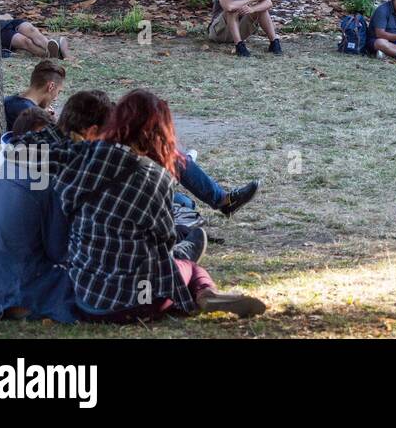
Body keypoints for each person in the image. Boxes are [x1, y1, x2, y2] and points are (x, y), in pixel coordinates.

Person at [57, 89, 266, 321]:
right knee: (191, 268)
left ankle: (194, 249)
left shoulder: (81, 156)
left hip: (88, 298)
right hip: (142, 300)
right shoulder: (156, 178)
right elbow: (164, 240)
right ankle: (206, 292)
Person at [0, 90, 113, 324]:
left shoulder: (24, 150)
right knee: (106, 289)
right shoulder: (56, 167)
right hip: (13, 291)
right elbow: (61, 250)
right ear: (91, 133)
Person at [4, 60, 66, 130]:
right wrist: (50, 121)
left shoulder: (7, 100)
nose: (55, 98)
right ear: (51, 86)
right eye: (58, 92)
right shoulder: (34, 118)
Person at [0, 13, 68, 61]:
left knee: (32, 30)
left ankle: (52, 47)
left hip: (9, 21)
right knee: (26, 41)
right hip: (0, 30)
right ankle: (57, 54)